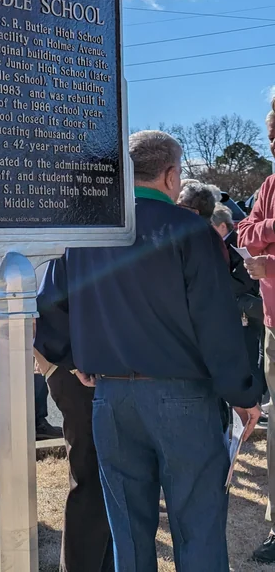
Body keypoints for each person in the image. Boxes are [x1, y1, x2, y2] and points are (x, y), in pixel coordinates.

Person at [38, 131, 261, 572]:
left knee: (129, 534)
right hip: (185, 397)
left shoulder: (88, 230)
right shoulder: (191, 231)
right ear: (171, 175)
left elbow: (49, 306)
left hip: (111, 399)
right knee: (198, 528)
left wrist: (76, 359)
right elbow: (216, 323)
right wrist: (243, 393)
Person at [237, 111, 275, 564]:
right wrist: (269, 229)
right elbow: (245, 234)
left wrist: (270, 263)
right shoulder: (268, 185)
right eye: (271, 136)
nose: (274, 144)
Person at [212, 203, 266, 399]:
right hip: (234, 309)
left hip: (247, 310)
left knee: (251, 356)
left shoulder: (238, 244)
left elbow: (243, 280)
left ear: (222, 226)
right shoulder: (220, 244)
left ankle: (254, 397)